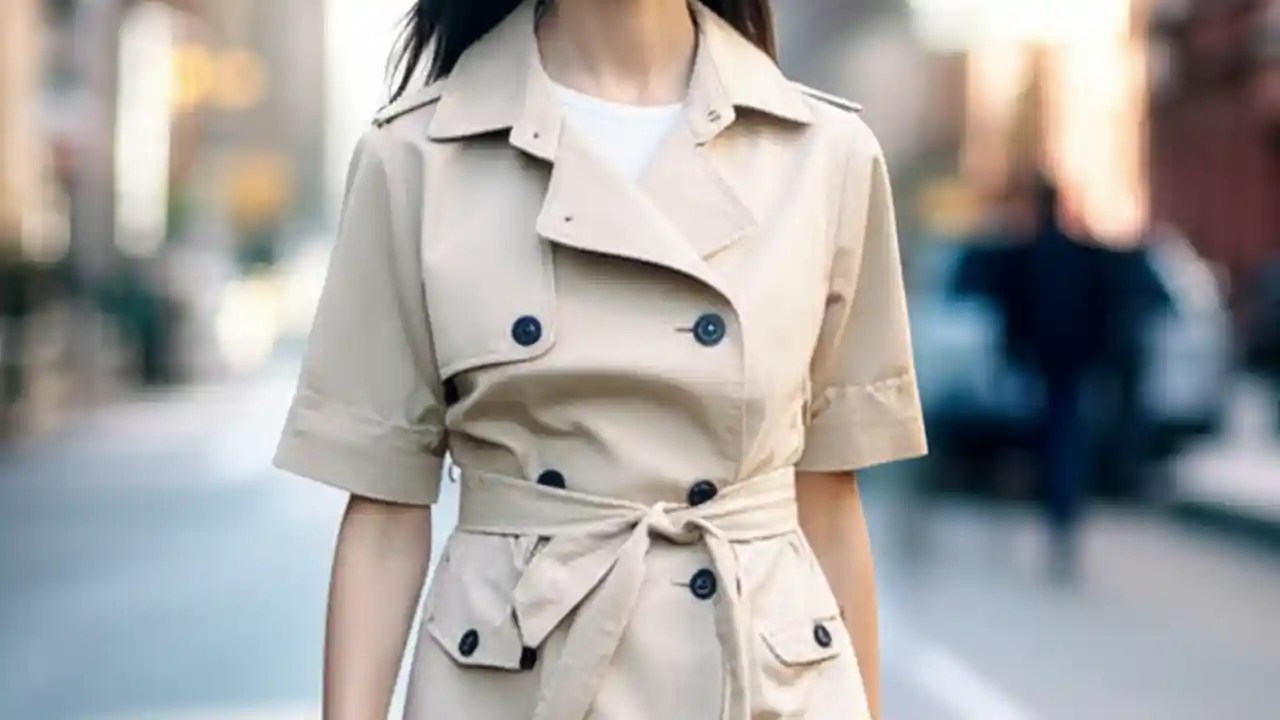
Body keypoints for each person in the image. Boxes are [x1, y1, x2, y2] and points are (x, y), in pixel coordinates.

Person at [272, 1, 927, 718]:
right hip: (512, 684)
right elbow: (385, 511)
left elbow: (829, 503)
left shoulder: (827, 154)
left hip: (758, 686)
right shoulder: (416, 155)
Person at [991, 172, 1111, 582]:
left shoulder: (1032, 254)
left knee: (1053, 440)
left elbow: (1012, 311)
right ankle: (1060, 510)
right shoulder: (1071, 253)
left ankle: (1058, 509)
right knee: (1061, 438)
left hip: (1048, 364)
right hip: (1063, 364)